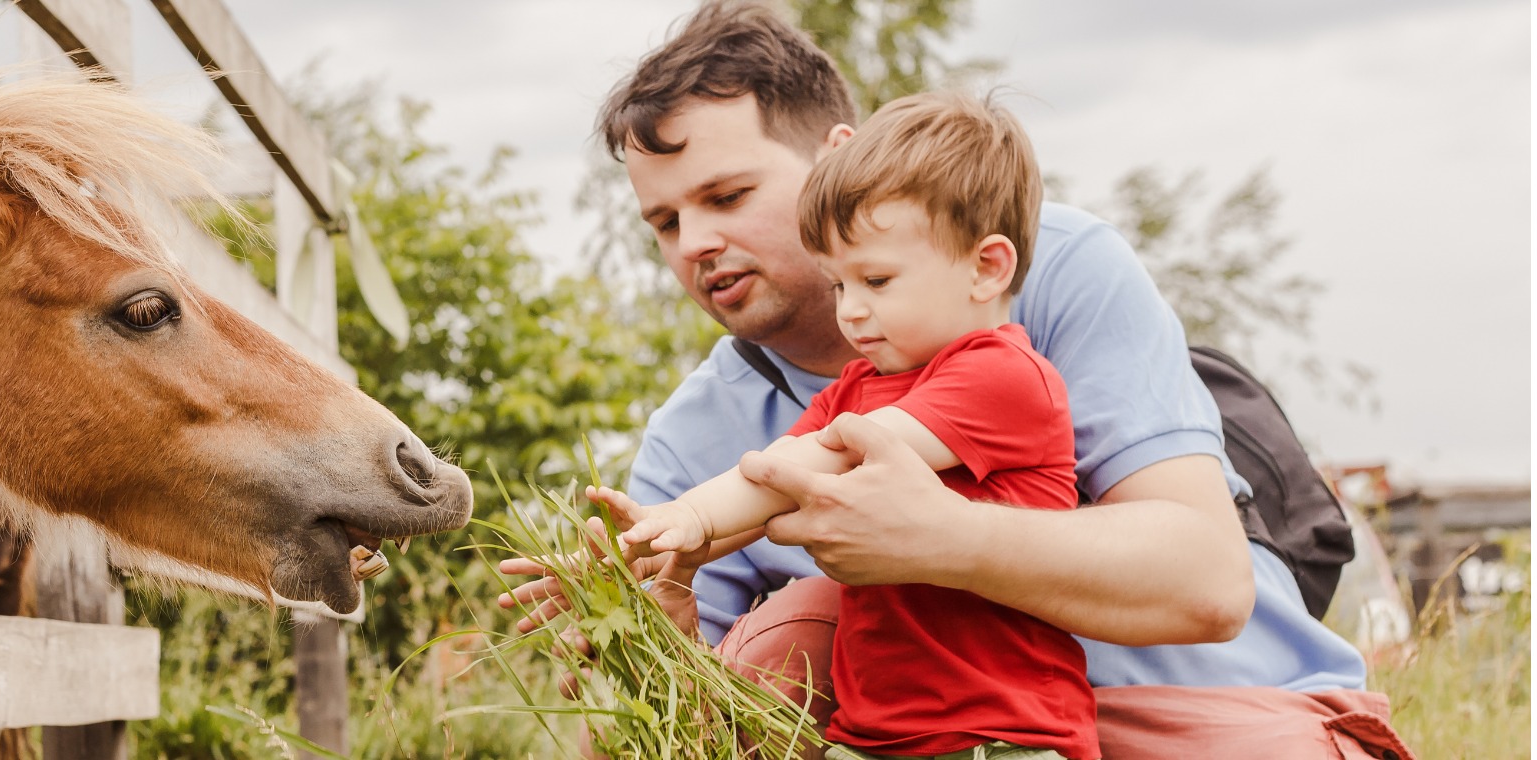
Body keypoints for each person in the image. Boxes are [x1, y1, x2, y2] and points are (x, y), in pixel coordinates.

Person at [499, 3, 1412, 757]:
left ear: (837, 159)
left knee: (820, 602)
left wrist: (944, 540)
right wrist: (651, 628)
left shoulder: (1041, 275)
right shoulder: (692, 436)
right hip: (924, 739)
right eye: (663, 221)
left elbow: (1207, 587)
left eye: (728, 197)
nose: (694, 242)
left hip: (1211, 718)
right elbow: (686, 737)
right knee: (790, 634)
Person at [608, 90, 1095, 760]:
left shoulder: (1002, 376)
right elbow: (776, 468)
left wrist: (692, 517)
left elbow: (815, 464)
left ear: (987, 268)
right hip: (874, 737)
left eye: (877, 280)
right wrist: (652, 542)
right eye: (840, 286)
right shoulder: (859, 386)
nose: (852, 313)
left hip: (999, 735)